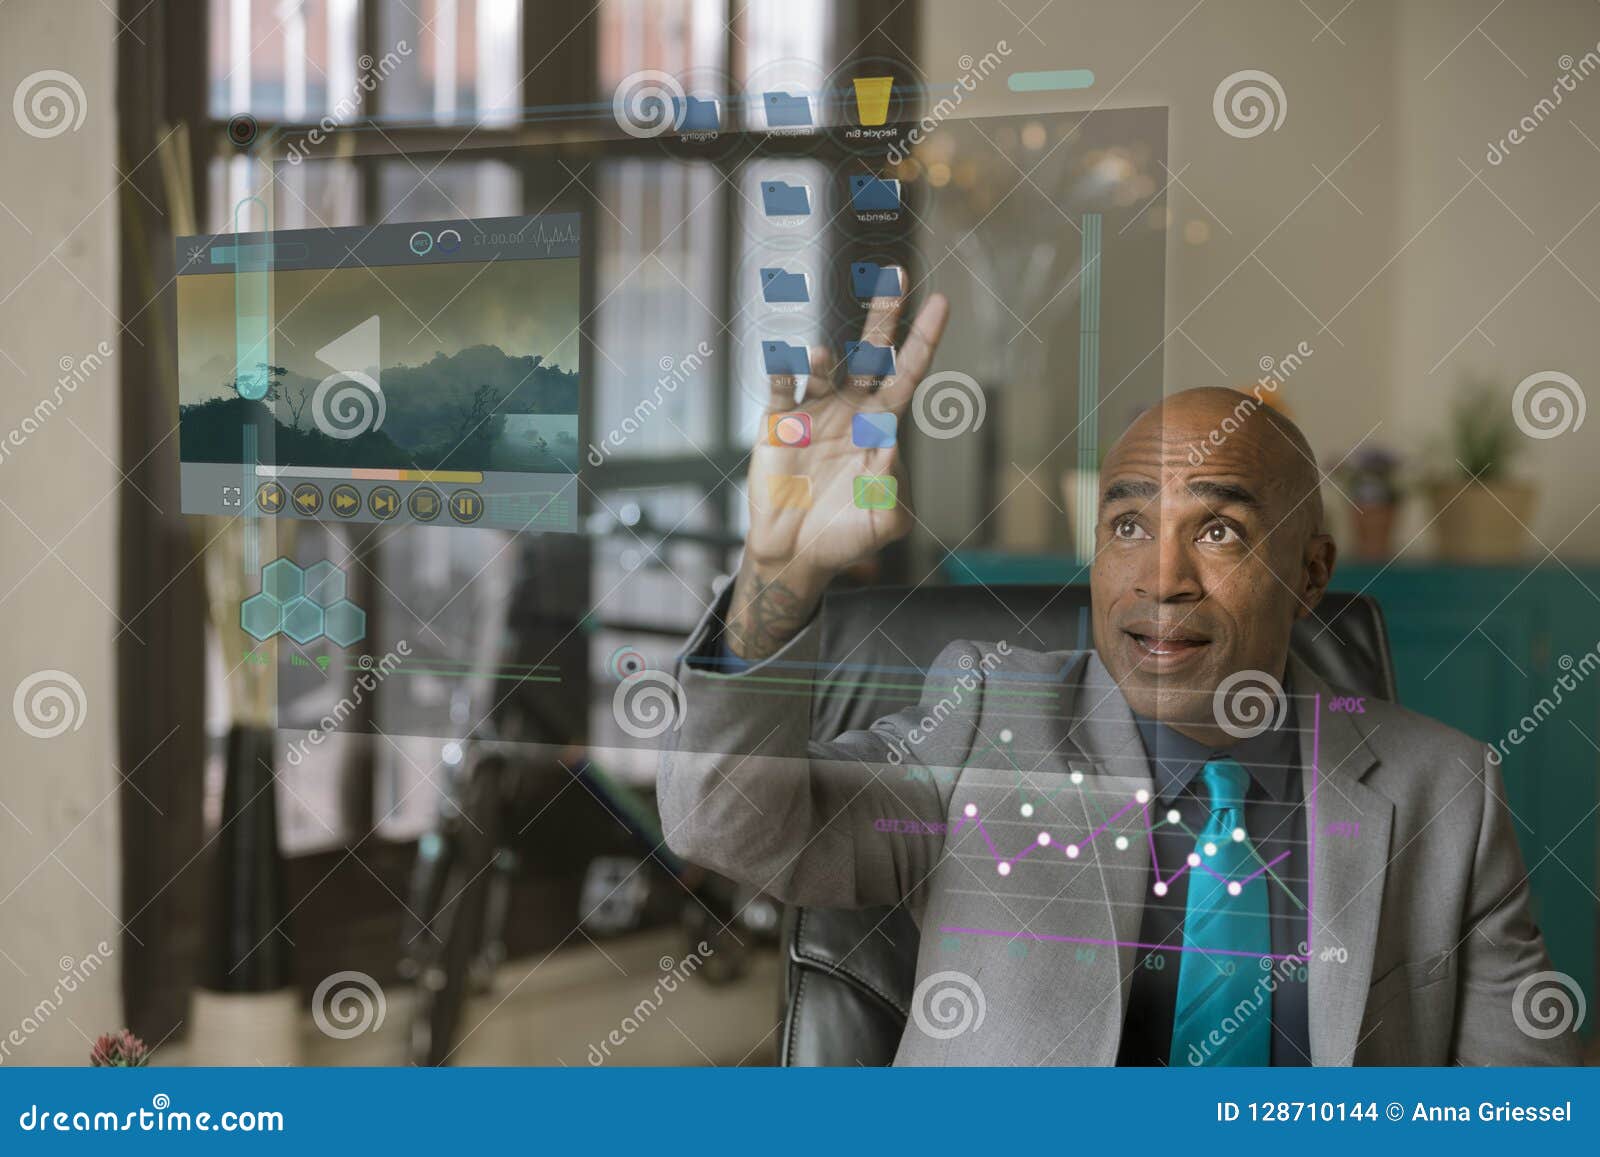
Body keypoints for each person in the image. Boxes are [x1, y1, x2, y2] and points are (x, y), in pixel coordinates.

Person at [657, 290, 1578, 1066]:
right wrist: (780, 579)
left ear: (1309, 574)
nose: (1161, 577)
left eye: (1217, 531)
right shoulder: (983, 720)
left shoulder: (1446, 792)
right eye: (1128, 526)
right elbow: (732, 825)